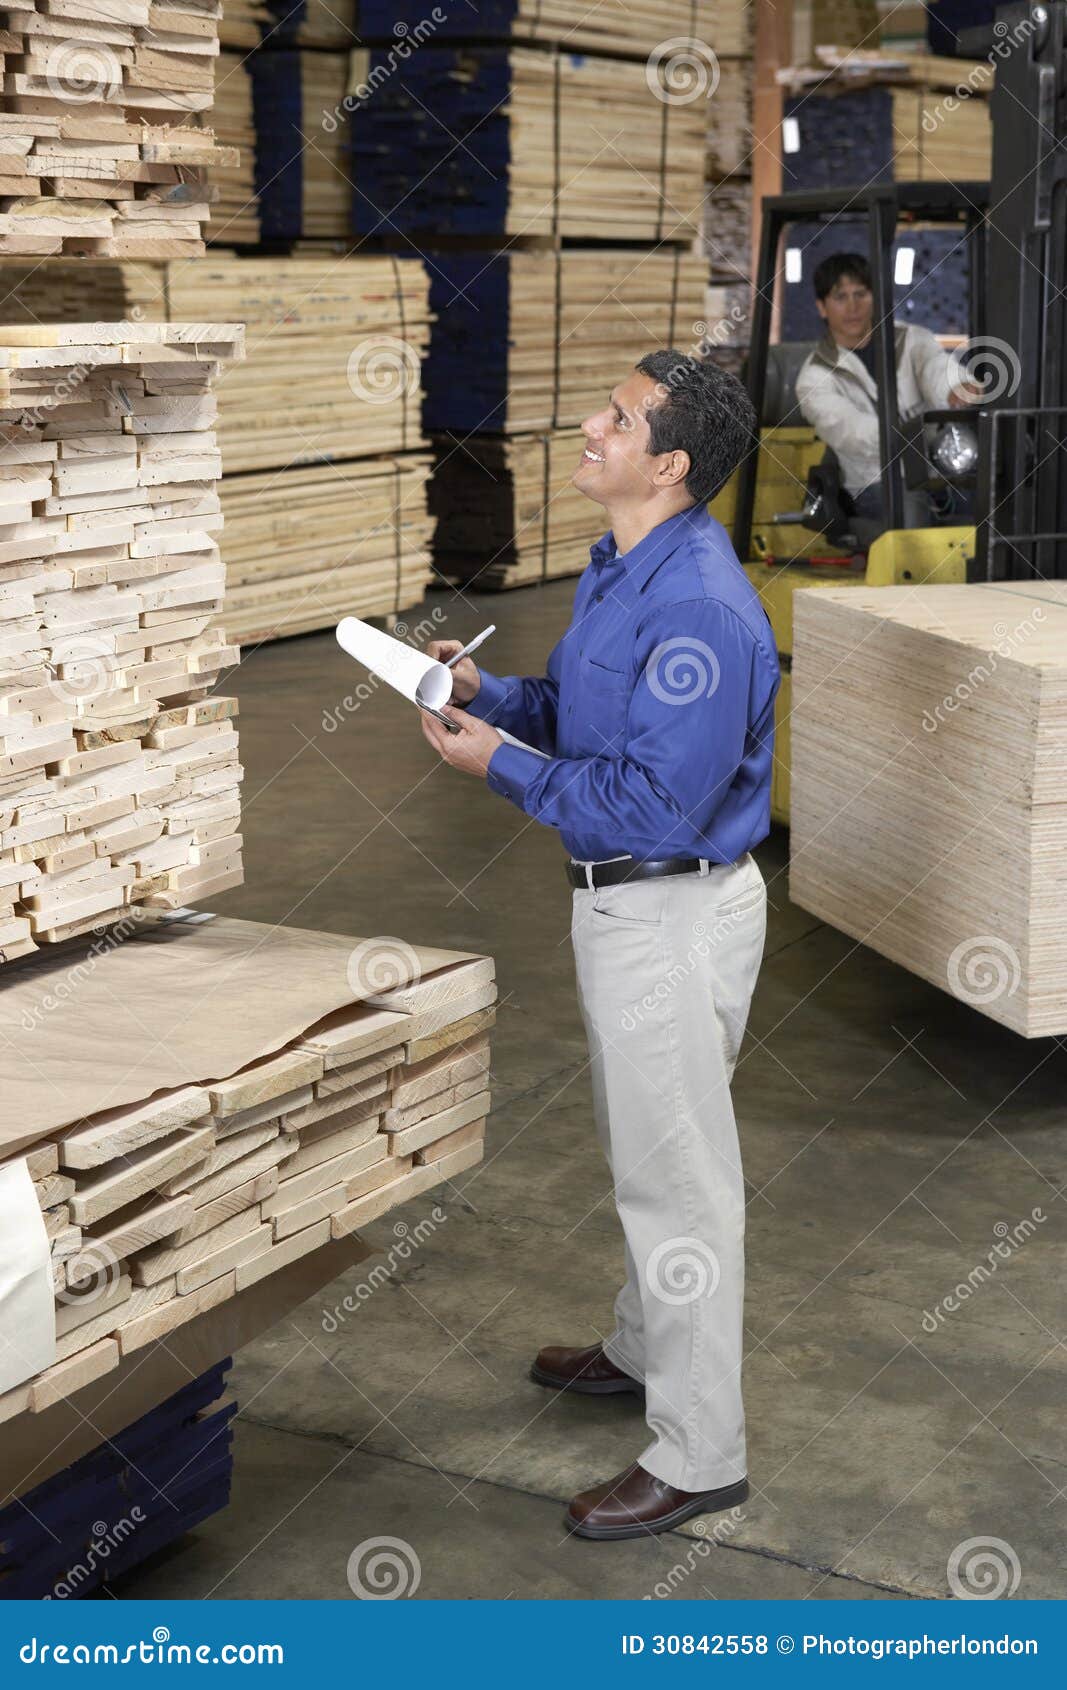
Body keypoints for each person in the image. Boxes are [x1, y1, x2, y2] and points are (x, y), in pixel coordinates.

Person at [420, 350, 780, 1541]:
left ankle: (697, 1454)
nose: (590, 424)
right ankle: (638, 1348)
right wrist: (494, 698)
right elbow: (588, 711)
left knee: (677, 1187)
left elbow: (649, 804)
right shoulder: (626, 564)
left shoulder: (699, 609)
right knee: (650, 1150)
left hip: (667, 907)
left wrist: (498, 767)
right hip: (624, 907)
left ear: (668, 466)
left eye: (615, 419)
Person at [795, 251, 981, 533]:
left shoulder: (911, 340)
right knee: (910, 505)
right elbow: (852, 433)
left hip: (937, 470)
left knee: (989, 493)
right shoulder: (814, 378)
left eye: (861, 294)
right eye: (840, 297)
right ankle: (920, 577)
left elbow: (936, 368)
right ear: (822, 307)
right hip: (872, 482)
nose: (853, 306)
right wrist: (910, 434)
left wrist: (958, 388)